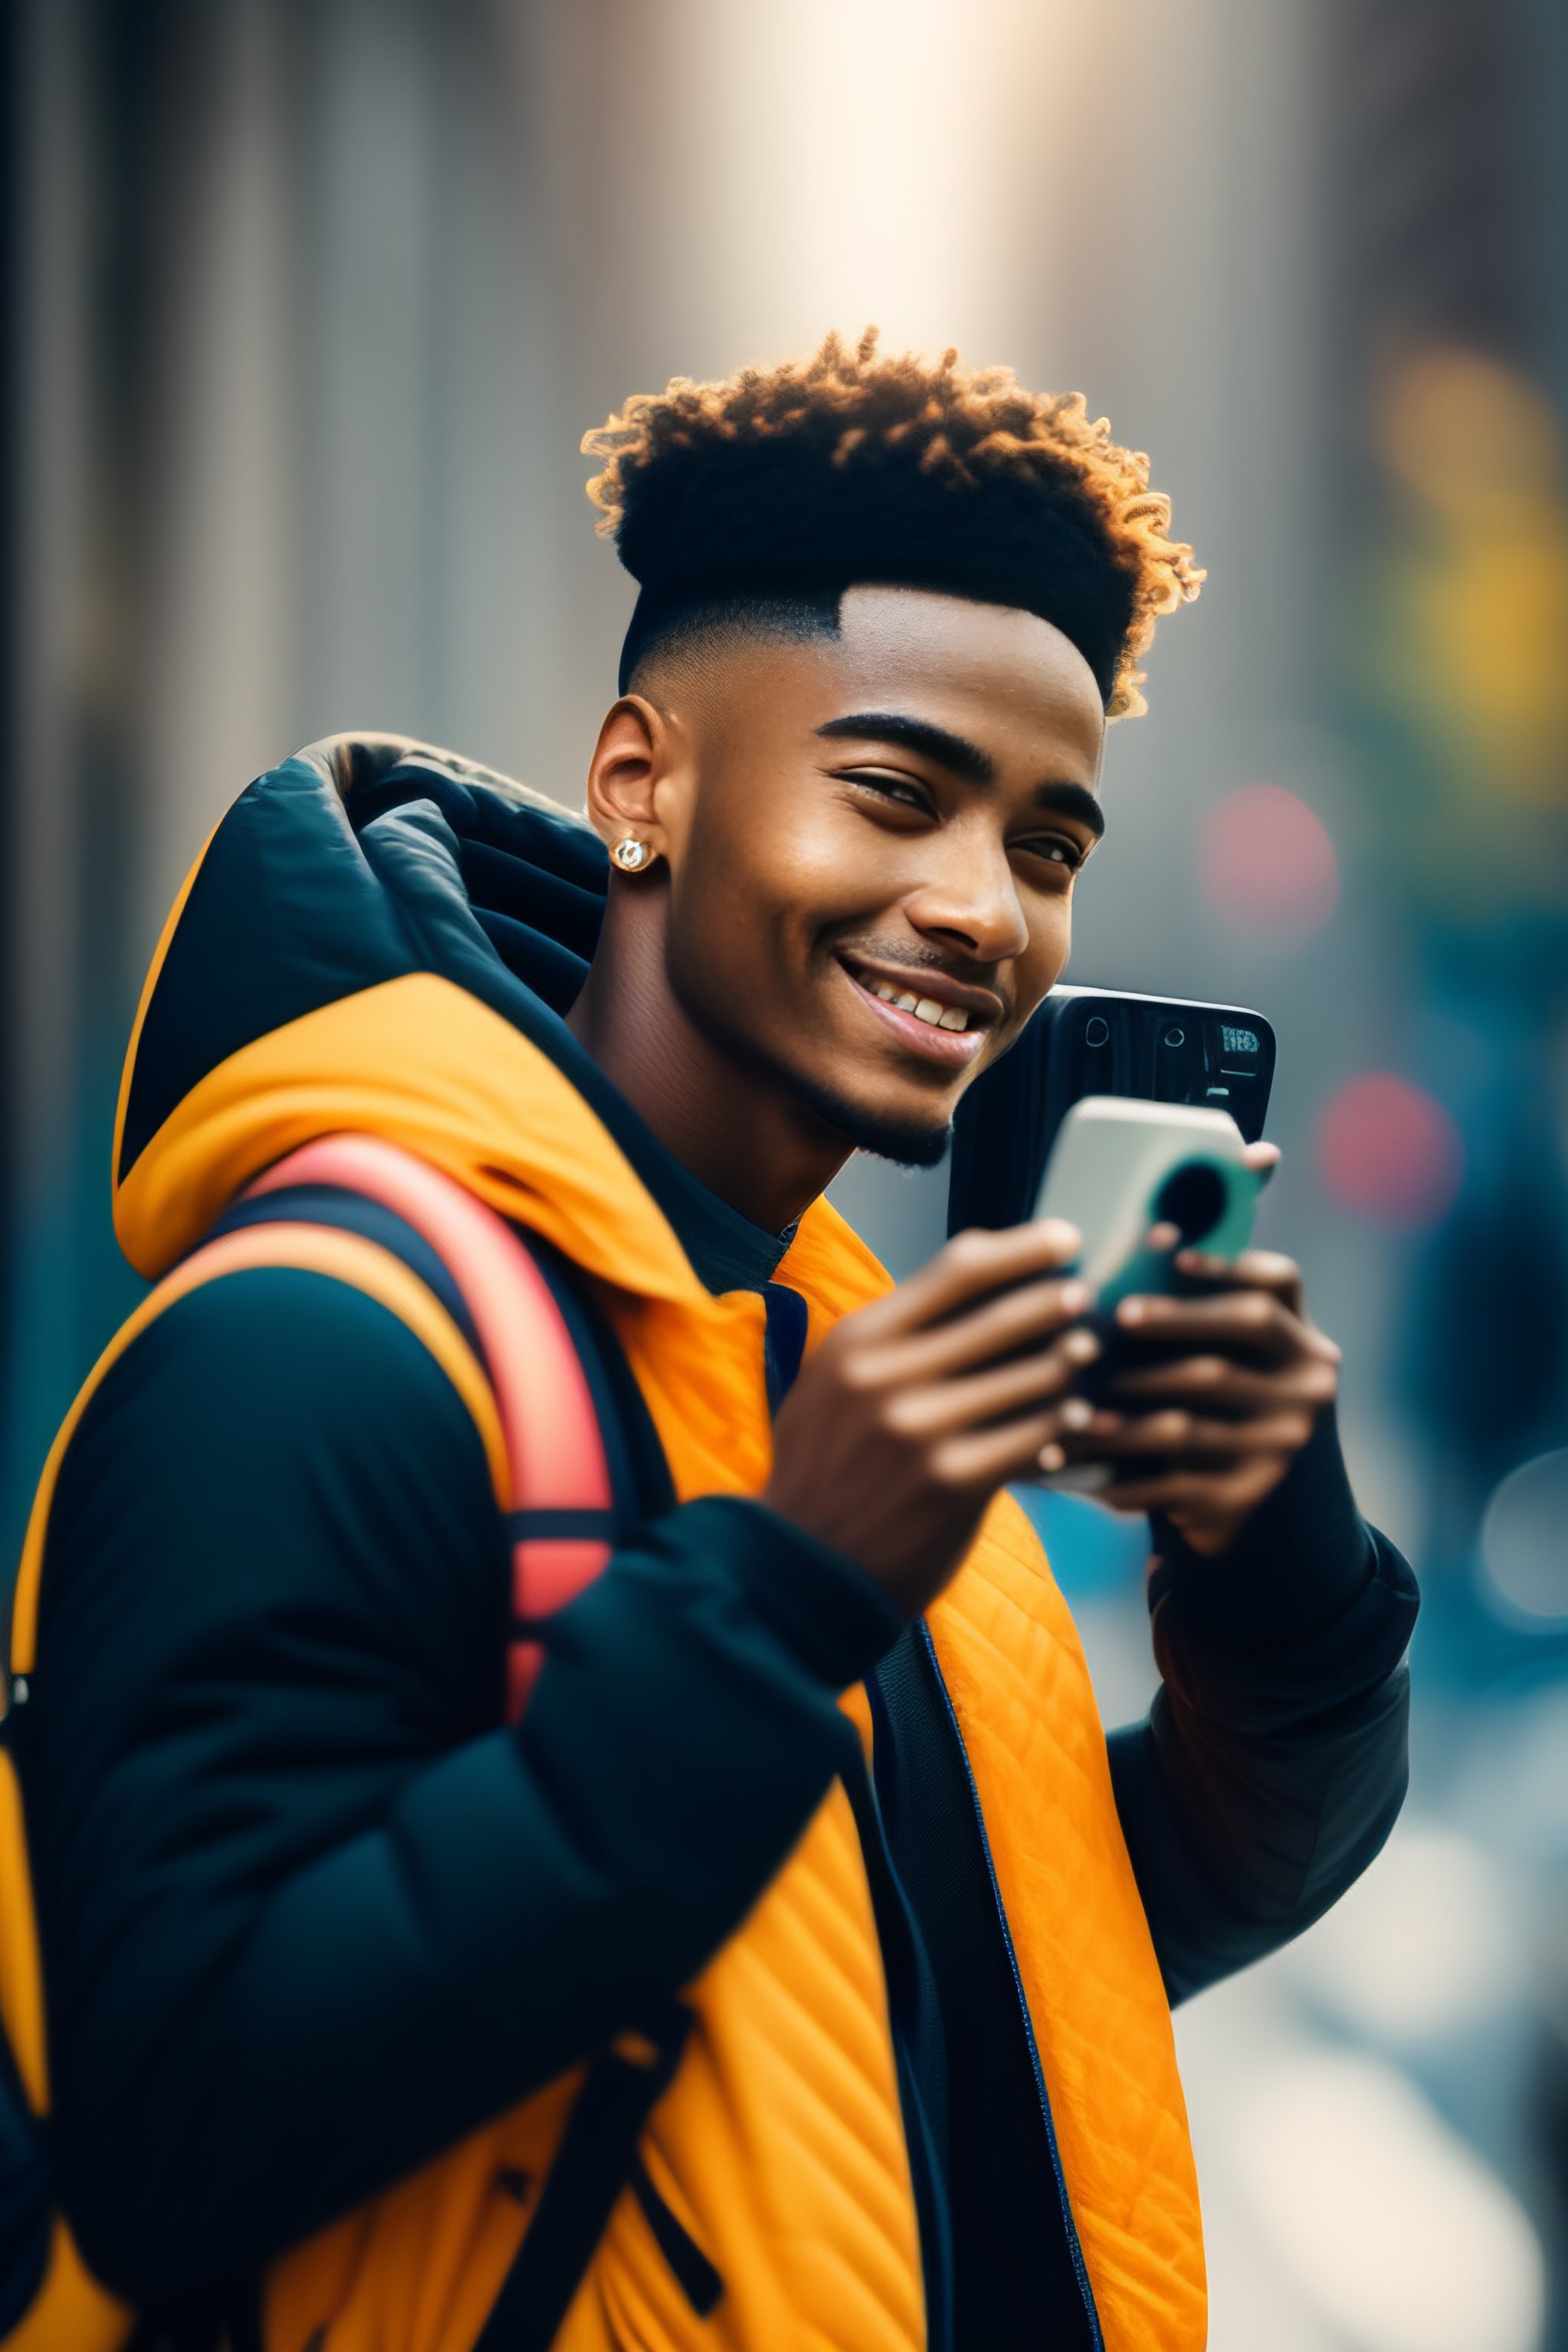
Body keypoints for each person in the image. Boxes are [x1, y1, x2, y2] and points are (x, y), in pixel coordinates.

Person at [8, 332, 1417, 2352]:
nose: (984, 912)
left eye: (1045, 847)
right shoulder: (312, 1345)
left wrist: (1283, 1577)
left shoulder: (830, 1366)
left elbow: (1084, 1945)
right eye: (896, 795)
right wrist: (775, 1603)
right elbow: (175, 2131)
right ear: (640, 784)